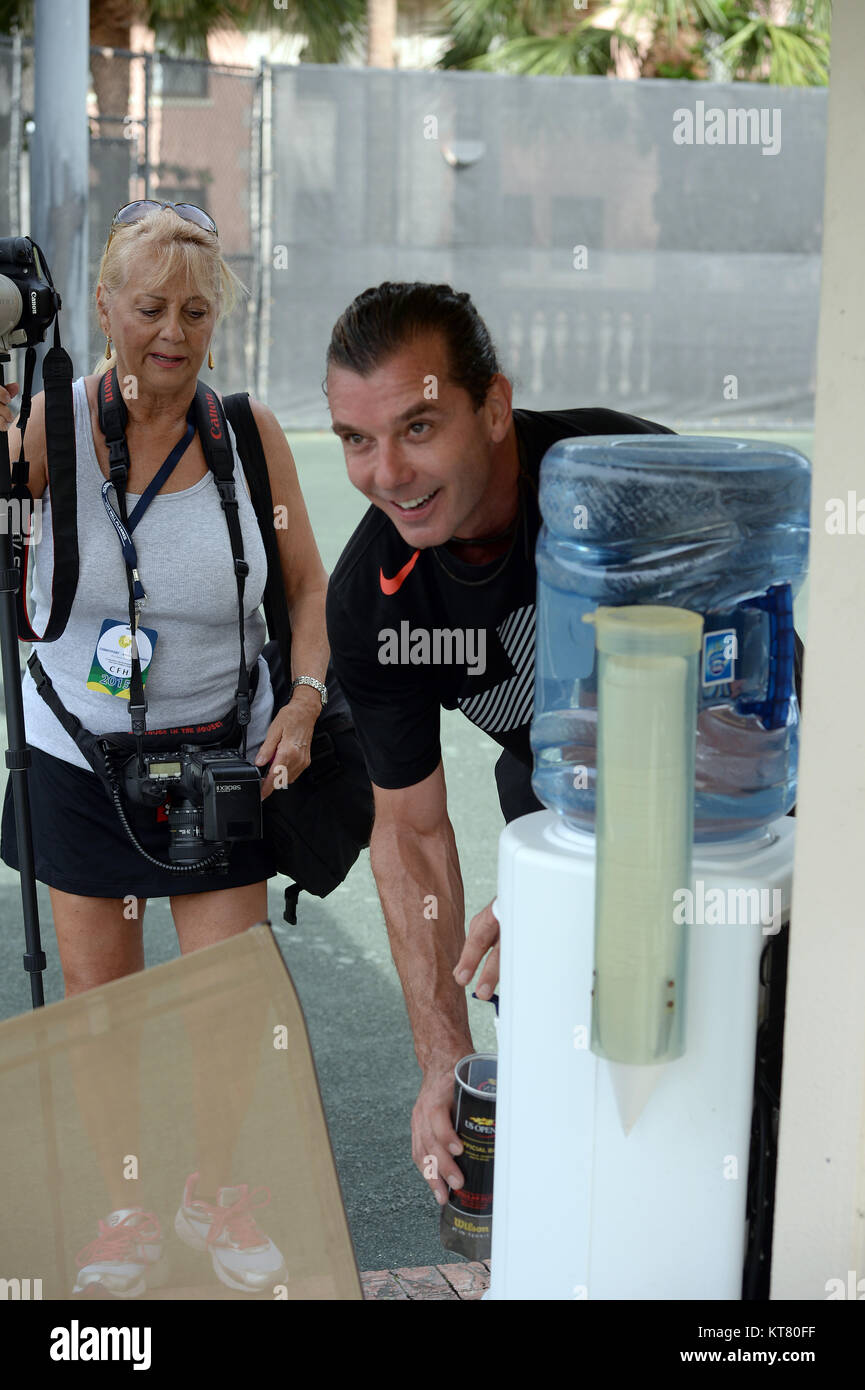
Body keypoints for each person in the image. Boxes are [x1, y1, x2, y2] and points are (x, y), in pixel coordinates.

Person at [324, 280, 805, 1210]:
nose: (385, 474)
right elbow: (410, 834)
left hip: (743, 817)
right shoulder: (370, 597)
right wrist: (442, 1054)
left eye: (418, 428)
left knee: (749, 1100)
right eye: (355, 439)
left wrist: (592, 882)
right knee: (584, 1104)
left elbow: (750, 719)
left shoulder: (633, 491)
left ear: (493, 407)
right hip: (561, 801)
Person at [0, 202, 330, 1296]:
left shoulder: (248, 434)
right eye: (149, 309)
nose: (172, 334)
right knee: (100, 1005)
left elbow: (304, 585)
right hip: (78, 755)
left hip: (218, 757)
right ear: (104, 309)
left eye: (195, 311)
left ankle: (213, 1189)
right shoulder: (53, 422)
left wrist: (306, 697)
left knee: (227, 998)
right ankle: (126, 1207)